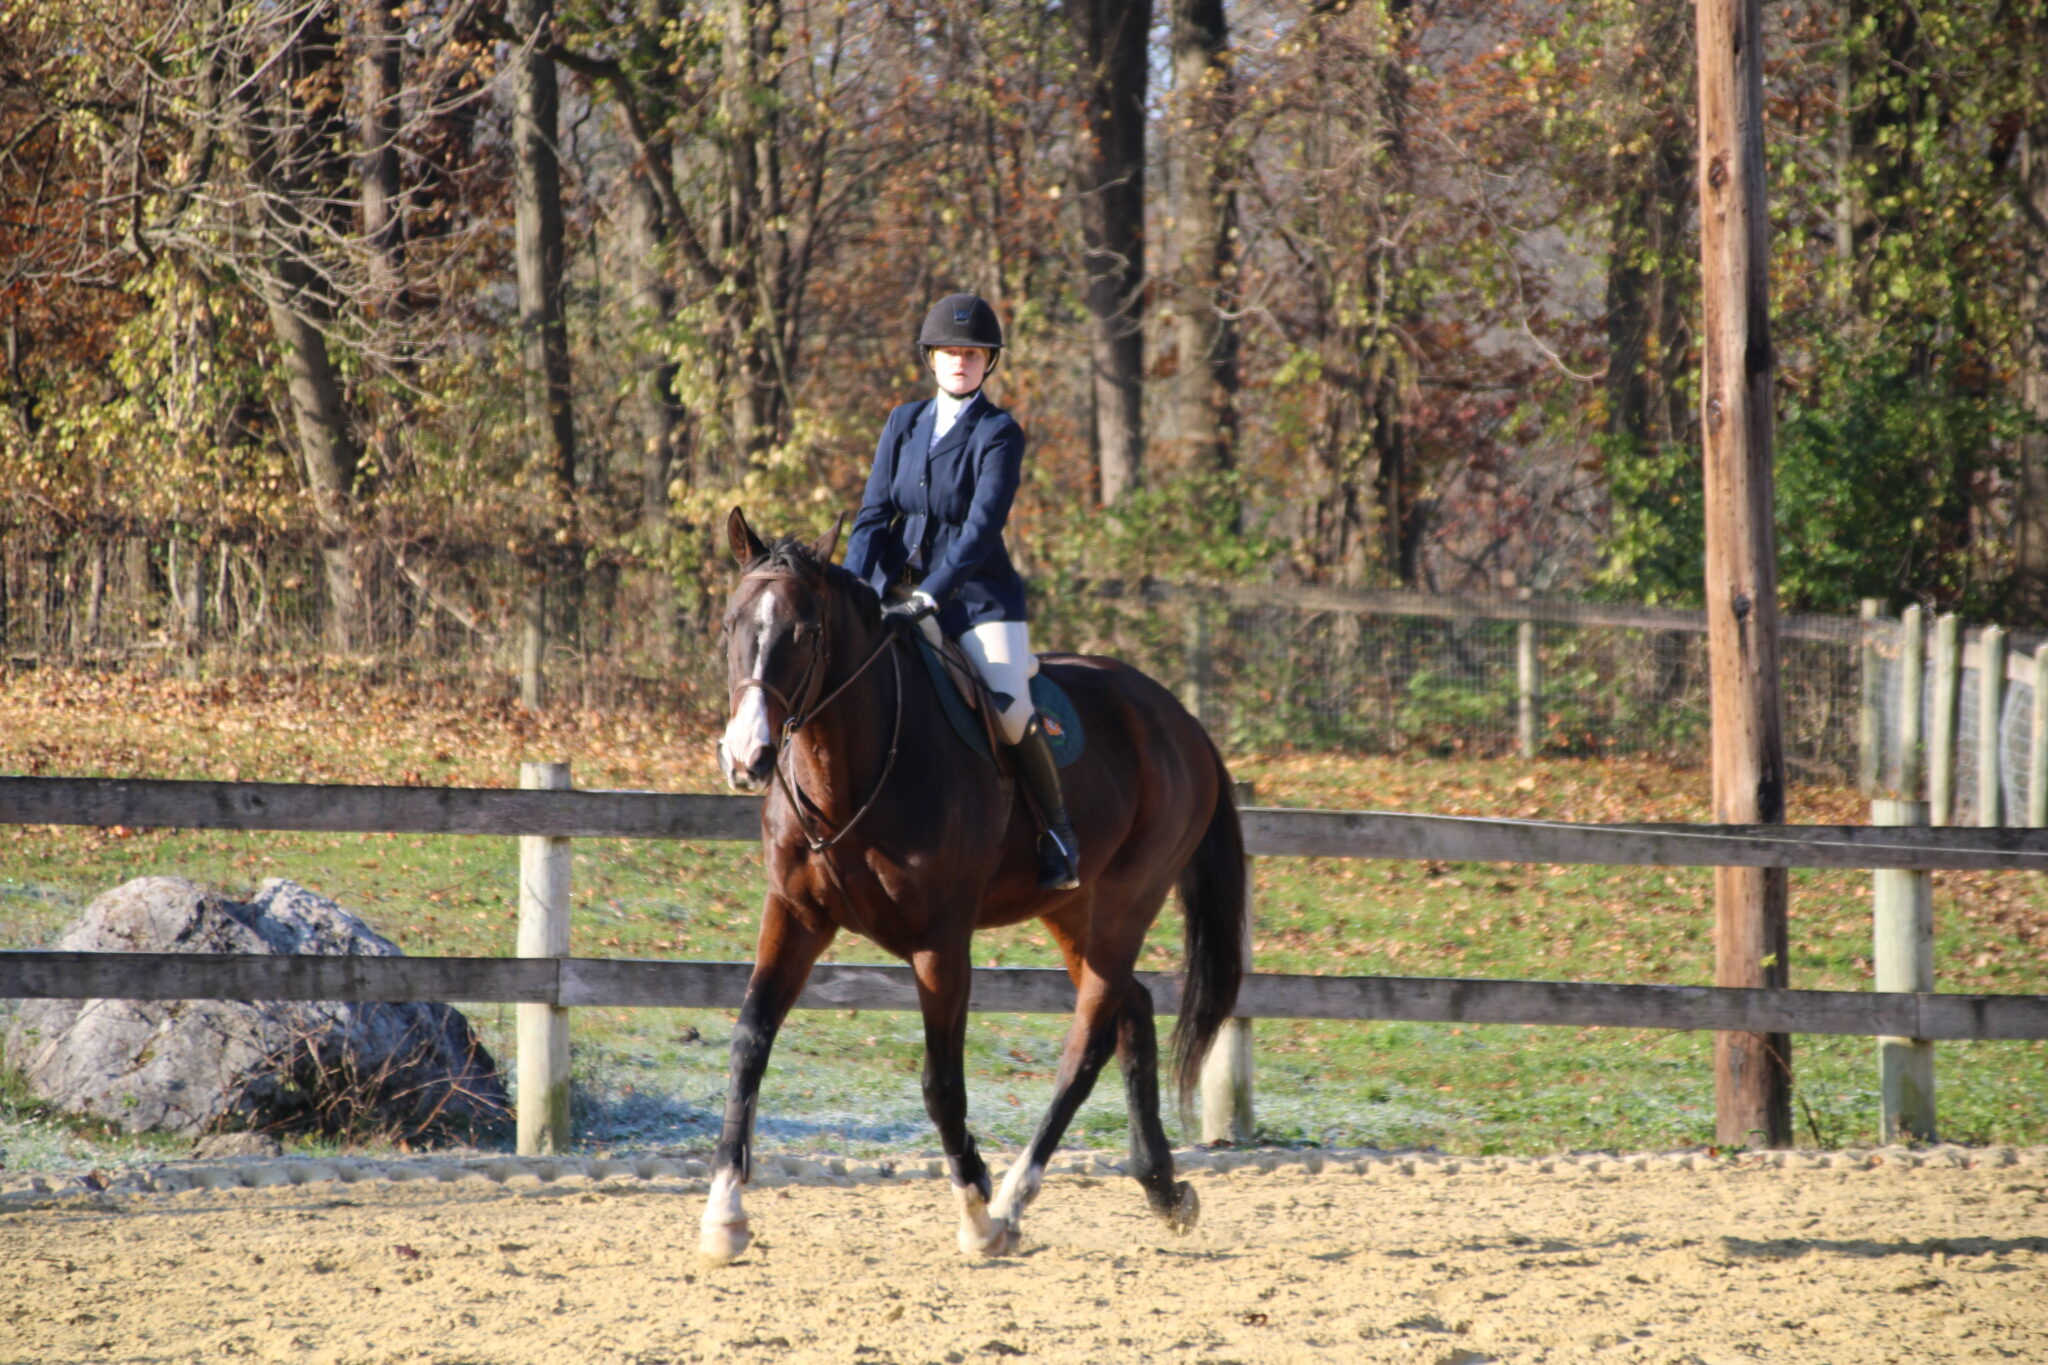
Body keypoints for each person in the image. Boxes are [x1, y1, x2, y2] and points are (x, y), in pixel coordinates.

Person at [842, 292, 1080, 891]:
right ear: (931, 357)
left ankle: (1057, 833)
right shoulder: (903, 422)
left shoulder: (999, 433)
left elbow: (980, 531)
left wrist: (931, 596)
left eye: (972, 354)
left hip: (974, 599)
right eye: (950, 351)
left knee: (1010, 709)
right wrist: (854, 587)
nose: (960, 362)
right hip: (895, 590)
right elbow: (873, 515)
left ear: (988, 362)